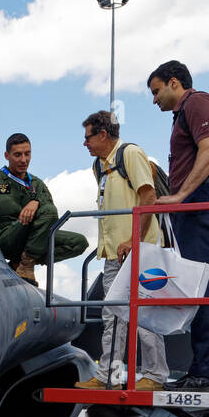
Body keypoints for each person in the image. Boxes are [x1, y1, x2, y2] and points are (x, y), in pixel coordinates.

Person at [148, 60, 209, 390]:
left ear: (173, 83)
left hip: (200, 201)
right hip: (197, 202)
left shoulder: (196, 102)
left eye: (156, 91)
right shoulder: (185, 110)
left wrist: (181, 193)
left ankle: (208, 371)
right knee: (202, 286)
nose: (154, 100)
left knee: (199, 286)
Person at [74, 111, 169, 392]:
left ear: (103, 134)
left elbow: (148, 196)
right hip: (116, 253)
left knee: (144, 313)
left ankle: (155, 375)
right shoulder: (100, 166)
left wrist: (134, 239)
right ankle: (109, 376)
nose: (85, 143)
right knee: (112, 314)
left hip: (140, 250)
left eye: (88, 137)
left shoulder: (130, 154)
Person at [0, 132, 89, 283]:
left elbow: (50, 215)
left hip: (33, 240)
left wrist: (35, 201)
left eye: (27, 154)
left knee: (78, 242)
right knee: (48, 212)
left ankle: (24, 263)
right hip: (6, 237)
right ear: (6, 155)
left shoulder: (37, 184)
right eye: (17, 155)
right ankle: (25, 264)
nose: (23, 160)